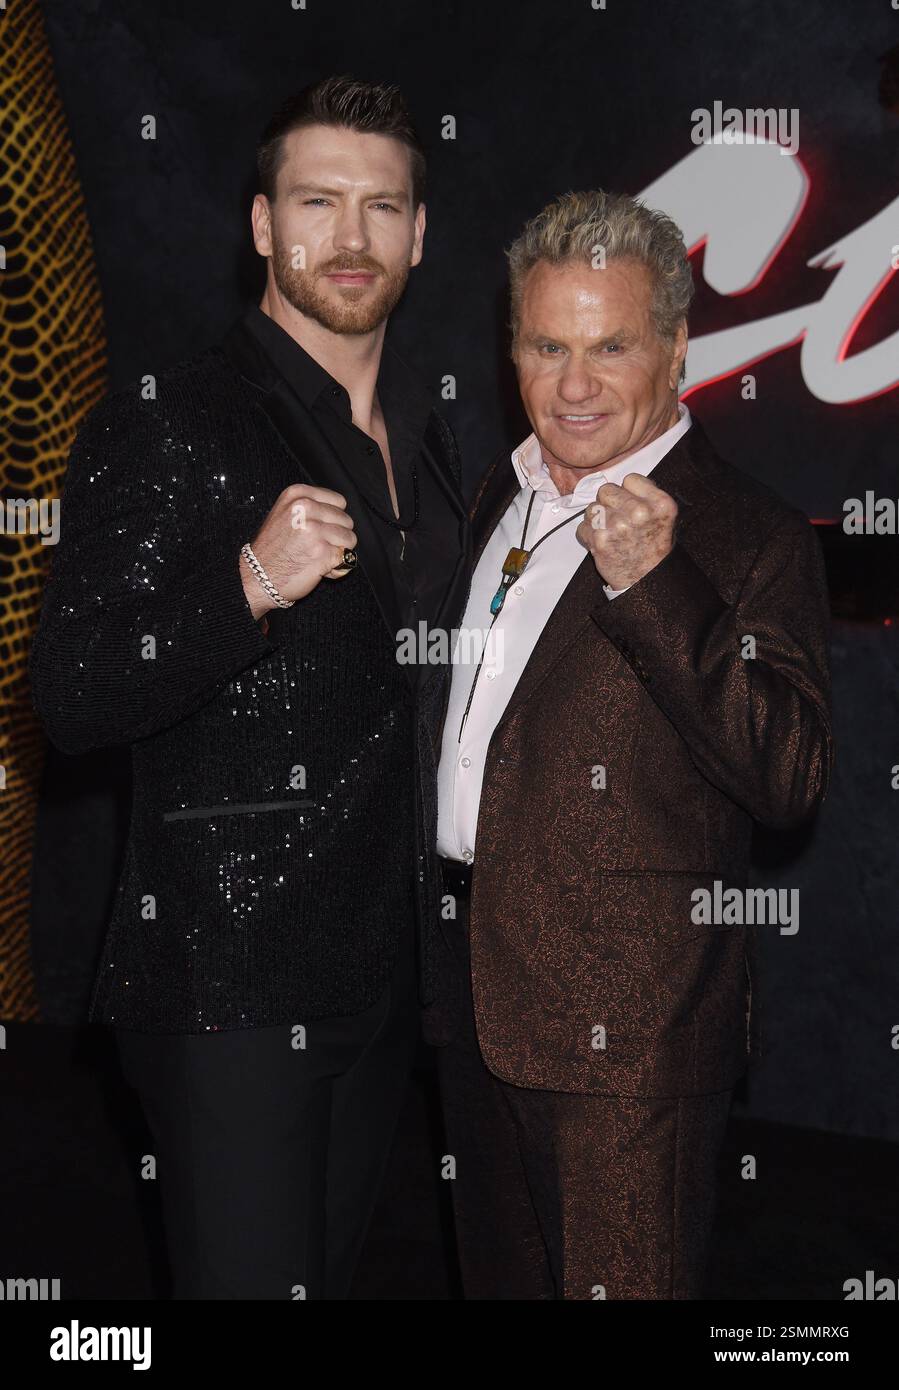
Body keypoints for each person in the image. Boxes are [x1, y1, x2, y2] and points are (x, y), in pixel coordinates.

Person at [30, 74, 470, 1300]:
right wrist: (247, 583)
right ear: (263, 225)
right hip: (226, 982)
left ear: (419, 235)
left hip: (383, 979)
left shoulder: (431, 447)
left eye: (381, 207)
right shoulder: (174, 421)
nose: (350, 237)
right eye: (317, 202)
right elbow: (69, 693)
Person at [427, 188, 833, 1300]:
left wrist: (659, 589)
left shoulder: (743, 534)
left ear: (676, 348)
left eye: (609, 346)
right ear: (510, 344)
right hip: (471, 1008)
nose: (571, 384)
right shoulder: (489, 502)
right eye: (546, 344)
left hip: (632, 1042)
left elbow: (789, 773)